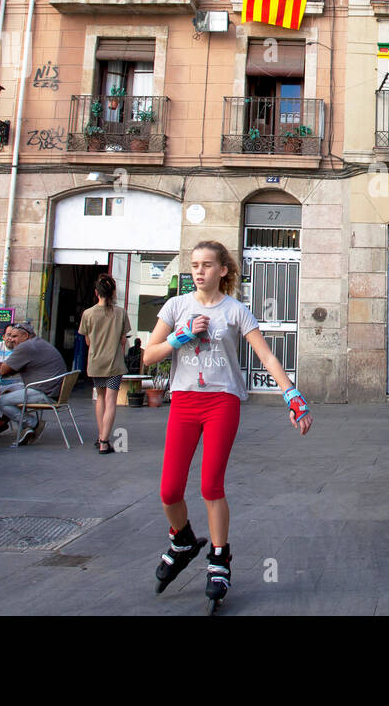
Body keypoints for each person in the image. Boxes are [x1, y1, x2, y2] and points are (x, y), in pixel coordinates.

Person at [142, 239, 313, 605]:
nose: (199, 271)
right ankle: (182, 539)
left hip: (222, 401)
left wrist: (291, 395)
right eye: (193, 265)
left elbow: (266, 356)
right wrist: (179, 337)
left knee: (210, 486)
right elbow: (148, 356)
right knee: (169, 490)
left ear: (222, 270)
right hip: (184, 401)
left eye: (206, 265)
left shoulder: (236, 310)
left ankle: (219, 558)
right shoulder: (176, 306)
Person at [79, 274, 131, 455]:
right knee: (111, 401)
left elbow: (87, 341)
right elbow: (123, 340)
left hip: (95, 363)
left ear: (96, 293)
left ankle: (101, 436)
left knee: (100, 398)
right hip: (114, 364)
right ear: (113, 292)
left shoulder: (88, 314)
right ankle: (104, 441)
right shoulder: (120, 313)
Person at [0, 322, 67, 446]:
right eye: (10, 336)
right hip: (53, 391)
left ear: (25, 335)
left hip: (45, 393)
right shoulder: (38, 343)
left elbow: (4, 371)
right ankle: (26, 429)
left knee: (1, 401)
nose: (11, 340)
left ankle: (32, 424)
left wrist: (4, 367)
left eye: (15, 336)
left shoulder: (26, 346)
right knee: (9, 393)